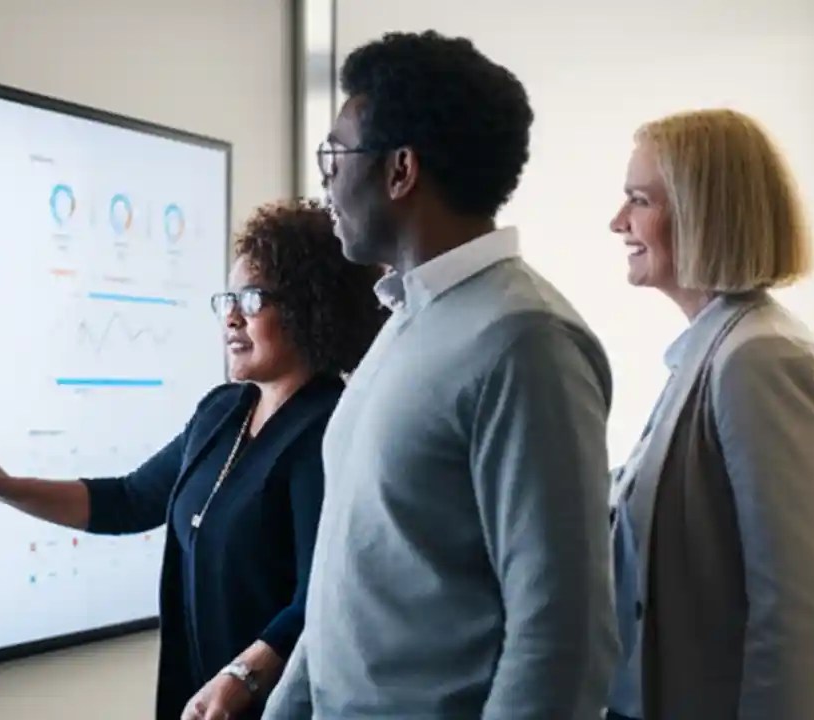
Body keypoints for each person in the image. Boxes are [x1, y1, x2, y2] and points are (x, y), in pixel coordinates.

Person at [263, 30, 619, 719]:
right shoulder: (403, 321)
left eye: (336, 153)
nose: (326, 177)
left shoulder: (525, 338)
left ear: (401, 171)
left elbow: (562, 634)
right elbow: (352, 569)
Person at [0, 199, 388, 720]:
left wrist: (240, 678)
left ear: (310, 306)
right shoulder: (222, 412)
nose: (232, 316)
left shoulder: (328, 431)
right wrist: (6, 487)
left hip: (275, 705)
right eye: (227, 299)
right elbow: (127, 500)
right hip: (198, 699)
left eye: (251, 297)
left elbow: (320, 600)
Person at [604, 108, 814, 720]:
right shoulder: (713, 350)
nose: (617, 223)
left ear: (702, 211)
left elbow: (796, 608)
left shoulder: (759, 357)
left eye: (639, 201)